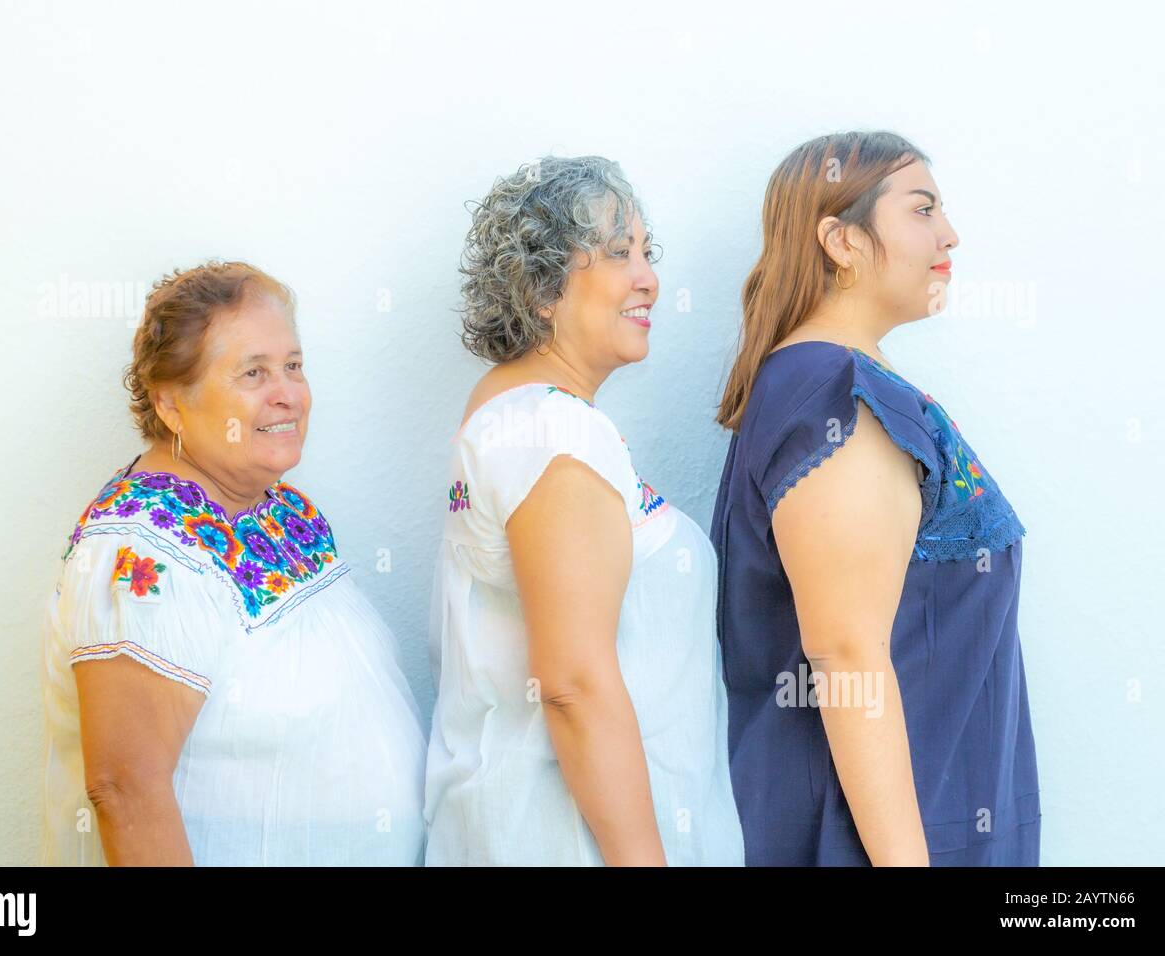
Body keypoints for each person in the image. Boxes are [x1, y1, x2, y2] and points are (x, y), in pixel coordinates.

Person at [711, 131, 1040, 865]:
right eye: (922, 210)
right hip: (866, 842)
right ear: (841, 240)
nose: (949, 234)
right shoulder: (835, 393)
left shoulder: (840, 384)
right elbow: (846, 653)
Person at [41, 260, 426, 865]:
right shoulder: (140, 556)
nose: (287, 394)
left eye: (293, 366)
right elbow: (124, 790)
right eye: (253, 372)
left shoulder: (279, 508)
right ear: (171, 403)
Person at [424, 156, 744, 865]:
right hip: (570, 842)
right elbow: (571, 683)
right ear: (542, 290)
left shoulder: (518, 412)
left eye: (647, 251)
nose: (648, 277)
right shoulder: (554, 431)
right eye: (617, 251)